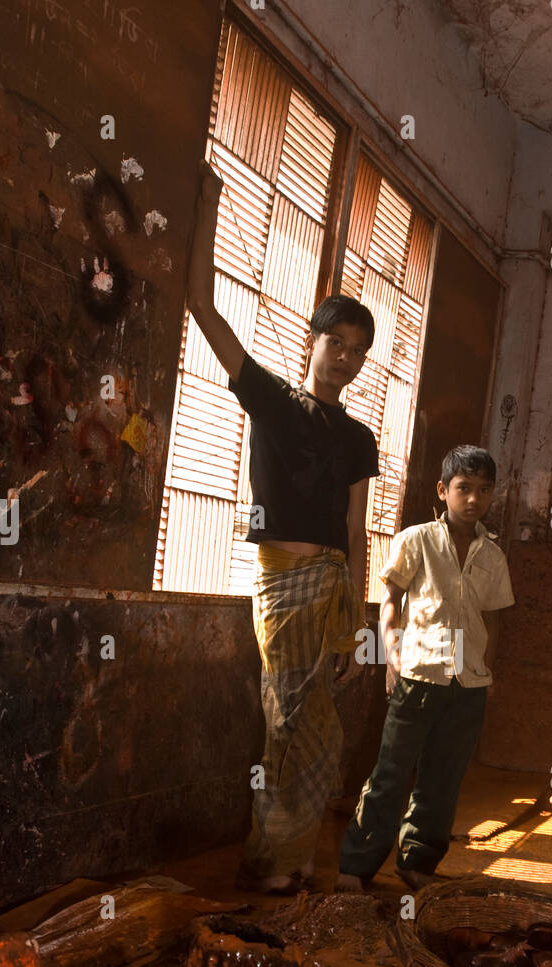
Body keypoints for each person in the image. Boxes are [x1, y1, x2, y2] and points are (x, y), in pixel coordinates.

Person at [187, 159, 379, 893]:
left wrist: (360, 626)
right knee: (286, 723)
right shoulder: (271, 400)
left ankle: (292, 860)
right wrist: (208, 206)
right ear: (314, 340)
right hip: (281, 586)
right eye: (337, 344)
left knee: (322, 734)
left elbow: (356, 530)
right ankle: (270, 864)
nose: (347, 361)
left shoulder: (360, 437)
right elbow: (202, 306)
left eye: (359, 353)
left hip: (332, 590)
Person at [336, 445, 515, 892]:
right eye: (464, 488)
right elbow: (391, 601)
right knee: (390, 774)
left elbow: (492, 618)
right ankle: (356, 865)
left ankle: (418, 862)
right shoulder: (416, 540)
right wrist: (391, 657)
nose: (474, 499)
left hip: (468, 682)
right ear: (443, 490)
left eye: (484, 490)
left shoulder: (492, 556)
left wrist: (486, 671)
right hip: (419, 674)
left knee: (443, 779)